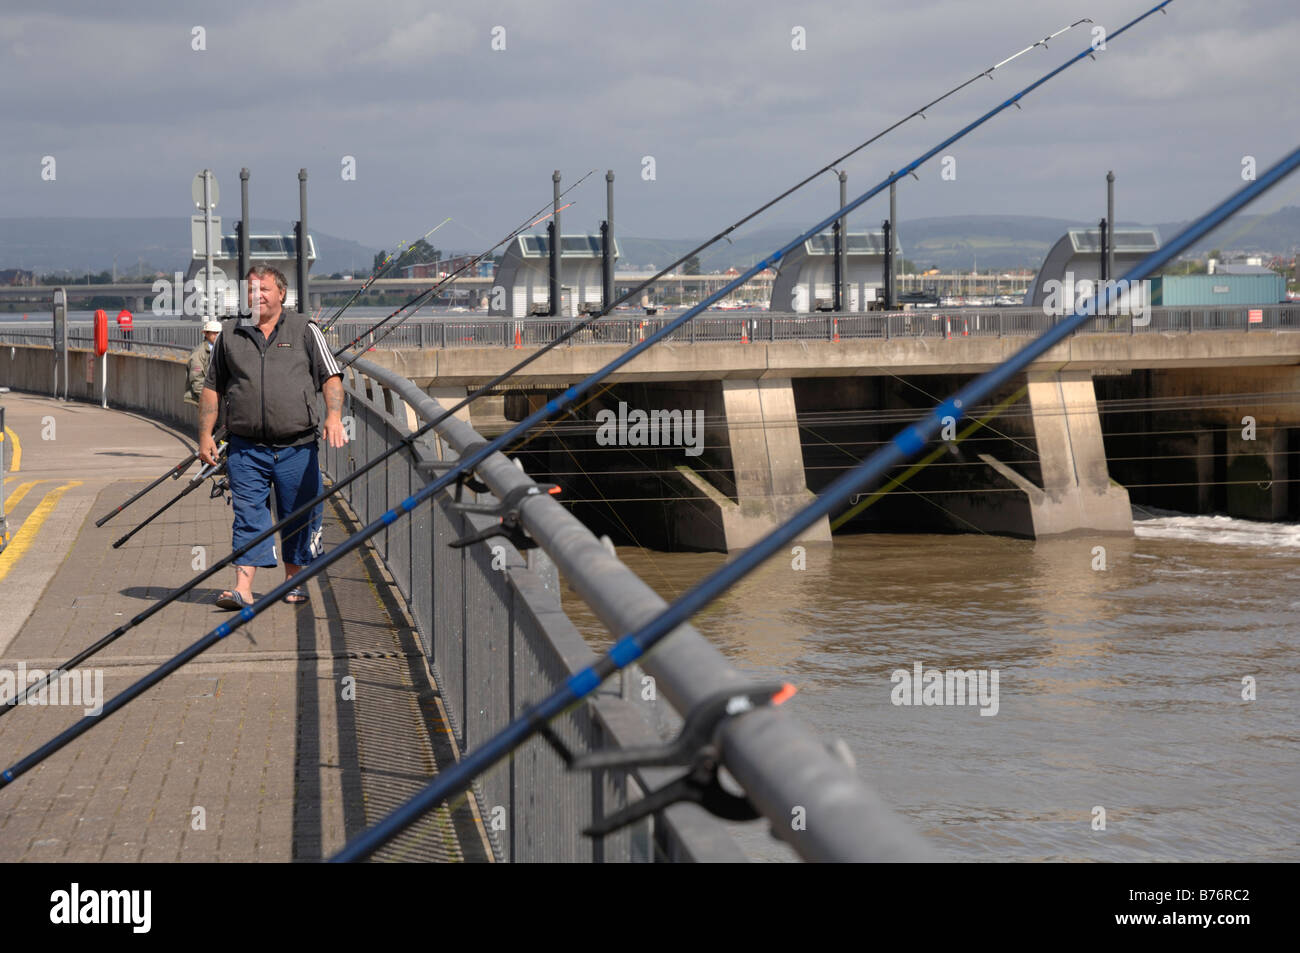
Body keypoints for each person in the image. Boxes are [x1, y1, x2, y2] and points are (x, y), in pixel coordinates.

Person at [197, 265, 347, 609]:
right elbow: (211, 388)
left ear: (281, 294)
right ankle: (243, 588)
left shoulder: (305, 329)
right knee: (248, 513)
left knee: (297, 514)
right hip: (245, 447)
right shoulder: (230, 334)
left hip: (297, 446)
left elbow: (331, 377)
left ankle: (292, 582)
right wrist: (205, 436)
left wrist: (334, 416)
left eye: (264, 289)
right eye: (250, 290)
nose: (257, 296)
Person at [183, 321, 223, 406]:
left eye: (219, 333)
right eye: (214, 333)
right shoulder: (199, 353)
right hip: (207, 399)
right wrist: (207, 399)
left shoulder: (221, 349)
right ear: (206, 334)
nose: (217, 336)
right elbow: (196, 378)